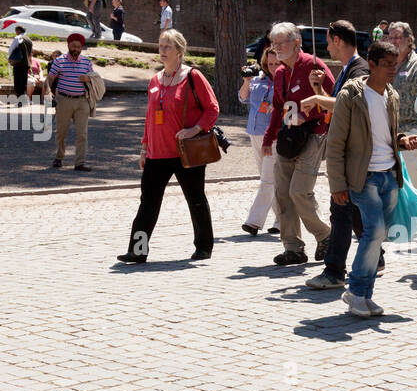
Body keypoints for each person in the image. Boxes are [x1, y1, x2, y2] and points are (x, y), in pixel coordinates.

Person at [326, 42, 417, 317]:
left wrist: (403, 141)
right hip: (363, 177)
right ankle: (356, 291)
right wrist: (337, 185)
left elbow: (388, 136)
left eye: (396, 63)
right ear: (372, 63)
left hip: (389, 175)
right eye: (388, 64)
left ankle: (363, 295)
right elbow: (335, 144)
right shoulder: (352, 96)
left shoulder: (391, 95)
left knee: (378, 235)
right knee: (374, 232)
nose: (394, 69)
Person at [116, 29, 218, 264]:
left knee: (196, 199)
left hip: (186, 152)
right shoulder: (154, 79)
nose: (162, 51)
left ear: (179, 52)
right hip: (157, 153)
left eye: (167, 47)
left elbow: (212, 109)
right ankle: (137, 250)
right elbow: (150, 116)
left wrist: (194, 130)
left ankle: (203, 247)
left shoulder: (193, 76)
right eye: (160, 46)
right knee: (148, 203)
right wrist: (144, 148)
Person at [304, 20, 377, 291]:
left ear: (337, 39)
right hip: (346, 148)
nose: (327, 47)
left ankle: (334, 271)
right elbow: (337, 108)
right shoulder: (347, 69)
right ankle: (375, 257)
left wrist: (317, 100)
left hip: (352, 152)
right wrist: (318, 90)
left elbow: (351, 104)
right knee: (351, 208)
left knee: (340, 208)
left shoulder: (359, 69)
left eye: (328, 41)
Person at [262, 21, 335, 265]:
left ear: (296, 43)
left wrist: (312, 110)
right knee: (282, 193)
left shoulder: (314, 66)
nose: (277, 47)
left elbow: (335, 101)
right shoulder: (281, 72)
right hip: (288, 137)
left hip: (314, 135)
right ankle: (293, 248)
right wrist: (269, 136)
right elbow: (277, 108)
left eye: (281, 43)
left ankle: (326, 236)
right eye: (274, 43)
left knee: (299, 192)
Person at [385, 21, 417, 238]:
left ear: (409, 39)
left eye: (398, 37)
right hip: (391, 127)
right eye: (391, 37)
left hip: (414, 126)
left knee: (414, 172)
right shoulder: (387, 63)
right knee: (394, 174)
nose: (394, 41)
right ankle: (400, 216)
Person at [238, 41, 281, 235]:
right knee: (270, 180)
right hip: (254, 133)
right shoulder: (259, 79)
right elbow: (242, 98)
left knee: (267, 180)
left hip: (272, 135)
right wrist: (247, 81)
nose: (272, 67)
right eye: (269, 64)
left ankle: (254, 221)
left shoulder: (283, 81)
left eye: (276, 64)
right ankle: (282, 220)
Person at [48, 32, 95, 170]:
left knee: (82, 133)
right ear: (68, 45)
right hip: (64, 100)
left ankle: (80, 162)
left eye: (79, 47)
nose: (76, 49)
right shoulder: (59, 61)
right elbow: (50, 78)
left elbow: (94, 77)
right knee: (61, 132)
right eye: (73, 46)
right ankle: (59, 157)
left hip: (82, 101)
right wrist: (49, 92)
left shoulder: (86, 62)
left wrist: (88, 78)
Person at [7, 26, 33, 99]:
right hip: (26, 64)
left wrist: (9, 59)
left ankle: (20, 100)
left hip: (18, 63)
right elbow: (30, 53)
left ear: (18, 30)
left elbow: (11, 49)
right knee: (23, 83)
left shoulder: (18, 38)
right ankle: (23, 100)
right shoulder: (29, 40)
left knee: (18, 83)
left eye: (16, 31)